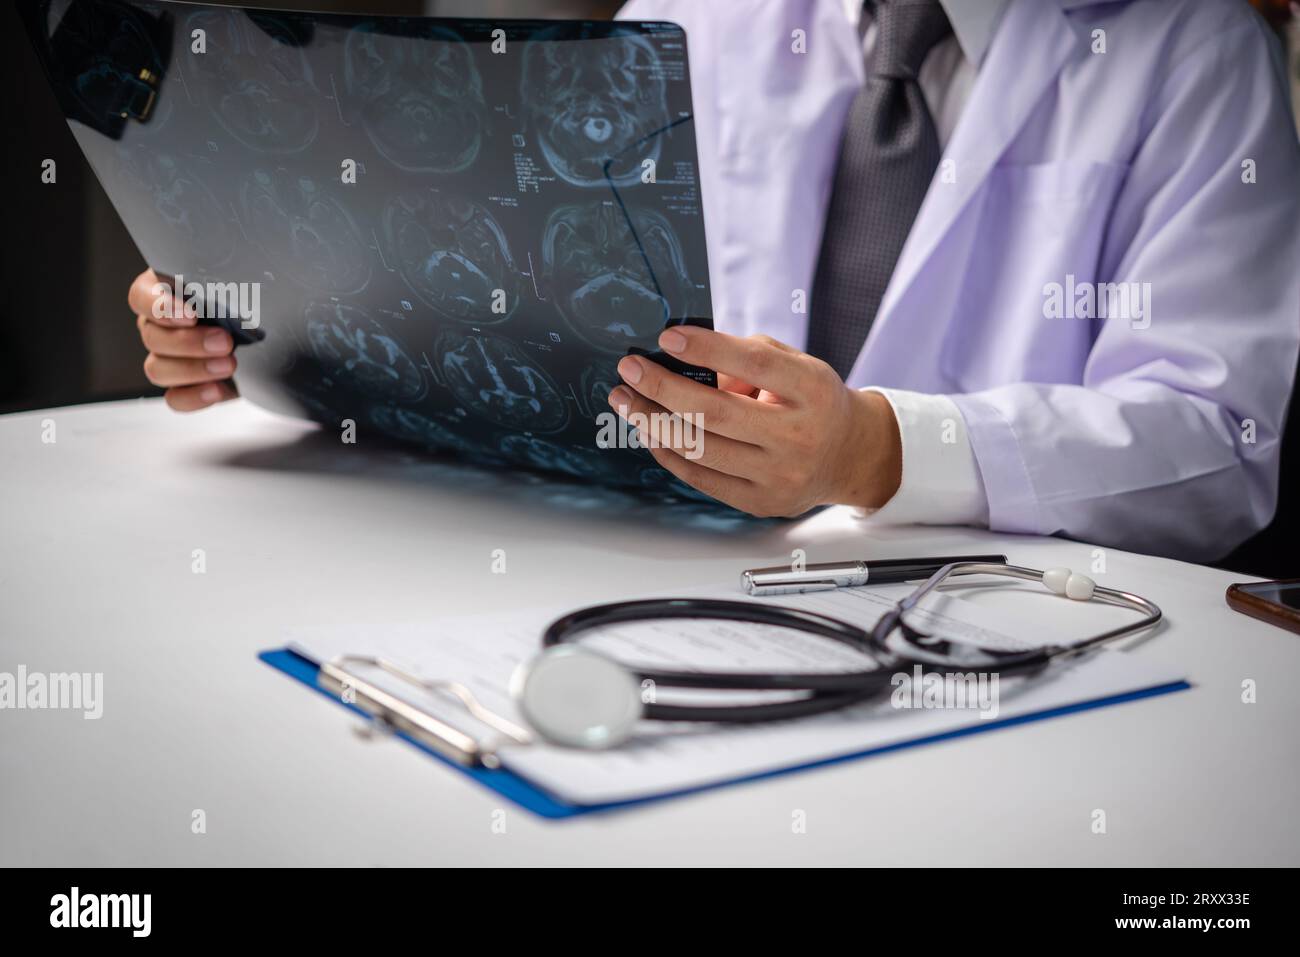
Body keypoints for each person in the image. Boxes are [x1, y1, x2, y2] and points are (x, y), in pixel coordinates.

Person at [127, 0, 1300, 561]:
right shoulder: (699, 15)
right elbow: (520, 289)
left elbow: (1221, 436)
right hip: (663, 578)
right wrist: (262, 318)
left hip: (1000, 641)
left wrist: (875, 451)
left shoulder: (1190, 53)